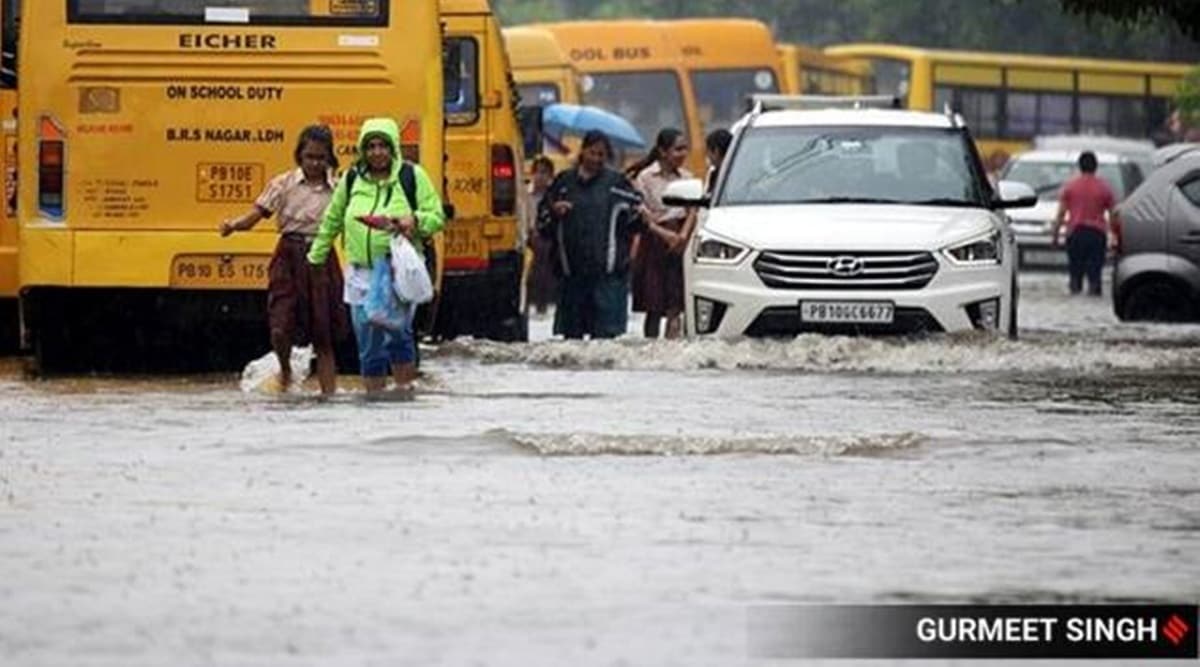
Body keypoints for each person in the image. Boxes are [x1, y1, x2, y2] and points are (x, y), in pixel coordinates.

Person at [307, 117, 445, 393]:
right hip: (360, 274)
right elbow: (333, 219)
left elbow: (437, 217)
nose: (377, 152)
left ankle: (404, 393)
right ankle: (374, 400)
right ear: (363, 150)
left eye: (383, 146)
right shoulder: (351, 179)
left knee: (399, 337)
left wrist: (413, 221)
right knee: (368, 344)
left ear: (393, 148)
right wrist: (316, 256)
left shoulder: (412, 176)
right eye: (371, 147)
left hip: (396, 273)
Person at [219, 124, 347, 395]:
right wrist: (233, 225)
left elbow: (352, 223)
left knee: (323, 335)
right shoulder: (283, 184)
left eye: (321, 158)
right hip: (289, 255)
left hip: (322, 258)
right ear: (299, 156)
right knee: (280, 324)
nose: (315, 163)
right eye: (309, 157)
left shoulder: (338, 189)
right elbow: (256, 215)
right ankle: (285, 369)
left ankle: (330, 396)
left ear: (329, 158)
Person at [537, 130, 642, 340]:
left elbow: (636, 217)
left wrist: (637, 215)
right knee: (572, 339)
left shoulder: (616, 184)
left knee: (604, 339)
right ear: (582, 151)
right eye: (592, 153)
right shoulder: (564, 182)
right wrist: (555, 211)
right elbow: (543, 220)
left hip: (606, 275)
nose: (596, 159)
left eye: (601, 155)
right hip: (571, 274)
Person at [628, 128, 693, 339]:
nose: (683, 154)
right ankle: (651, 349)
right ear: (663, 151)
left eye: (685, 149)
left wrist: (682, 236)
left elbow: (693, 210)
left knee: (676, 304)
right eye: (678, 149)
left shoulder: (688, 178)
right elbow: (642, 213)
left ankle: (672, 348)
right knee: (653, 305)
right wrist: (665, 234)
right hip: (654, 242)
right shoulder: (645, 177)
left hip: (681, 243)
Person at [1051, 151, 1120, 297]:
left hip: (1076, 234)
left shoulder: (1070, 187)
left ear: (1079, 166)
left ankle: (1075, 293)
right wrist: (1116, 236)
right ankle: (1094, 292)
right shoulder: (1104, 188)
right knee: (1095, 276)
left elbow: (1061, 214)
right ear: (1096, 167)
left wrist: (1055, 235)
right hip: (1097, 235)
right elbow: (1113, 215)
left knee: (1075, 275)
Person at [526, 156, 558, 314]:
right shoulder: (525, 196)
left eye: (544, 172)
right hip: (528, 240)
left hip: (548, 240)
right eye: (537, 172)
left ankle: (543, 302)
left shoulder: (554, 197)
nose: (540, 176)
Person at [704, 128, 733, 196]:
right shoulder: (714, 173)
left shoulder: (718, 175)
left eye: (707, 151)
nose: (707, 155)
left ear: (716, 151)